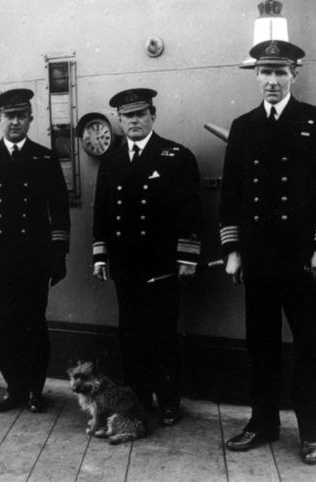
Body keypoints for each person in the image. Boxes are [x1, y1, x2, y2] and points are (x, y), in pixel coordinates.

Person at [219, 40, 316, 464]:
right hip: (257, 260)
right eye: (265, 72)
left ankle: (310, 432)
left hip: (303, 261)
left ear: (295, 74)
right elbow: (232, 195)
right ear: (255, 76)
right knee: (261, 346)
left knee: (307, 346)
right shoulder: (243, 126)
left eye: (280, 73)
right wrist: (233, 250)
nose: (272, 81)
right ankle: (263, 423)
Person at [92, 88, 202, 426]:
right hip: (125, 265)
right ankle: (138, 397)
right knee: (130, 335)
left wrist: (187, 257)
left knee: (163, 335)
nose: (134, 121)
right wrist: (100, 255)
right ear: (120, 122)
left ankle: (168, 401)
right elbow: (103, 213)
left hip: (162, 265)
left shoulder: (176, 155)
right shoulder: (111, 161)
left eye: (141, 114)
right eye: (127, 116)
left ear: (153, 115)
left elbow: (191, 212)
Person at [0, 88, 70, 414]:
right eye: (9, 116)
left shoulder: (45, 157)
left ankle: (36, 389)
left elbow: (59, 210)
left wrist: (59, 254)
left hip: (35, 258)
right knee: (5, 324)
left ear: (31, 119)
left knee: (34, 323)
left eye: (22, 116)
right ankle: (14, 387)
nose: (15, 122)